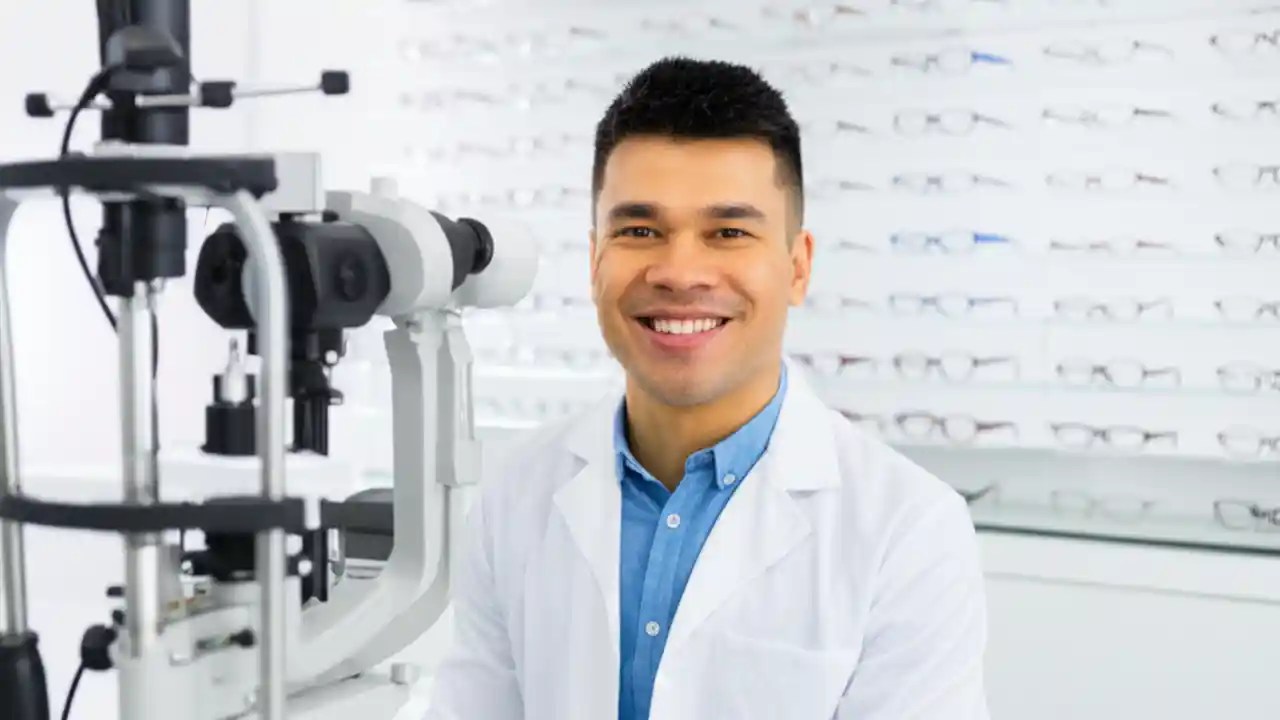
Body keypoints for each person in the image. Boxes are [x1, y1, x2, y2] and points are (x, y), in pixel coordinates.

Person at [426, 56, 990, 720]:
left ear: (797, 266)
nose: (679, 271)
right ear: (594, 260)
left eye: (728, 232)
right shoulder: (516, 494)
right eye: (640, 231)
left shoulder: (908, 528)